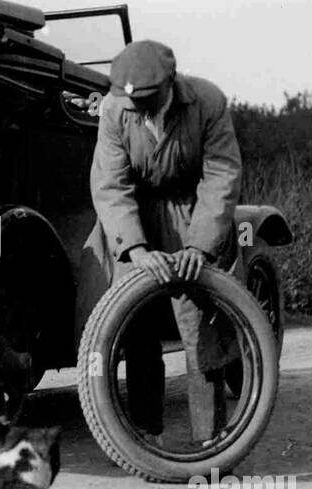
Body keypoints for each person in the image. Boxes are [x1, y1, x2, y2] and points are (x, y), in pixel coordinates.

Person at [83, 40, 242, 443]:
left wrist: (200, 246)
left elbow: (221, 175)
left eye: (151, 102)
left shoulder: (207, 101)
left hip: (192, 214)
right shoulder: (115, 110)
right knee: (136, 325)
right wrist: (135, 249)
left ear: (172, 83)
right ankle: (145, 438)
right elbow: (110, 184)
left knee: (200, 327)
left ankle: (211, 442)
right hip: (135, 217)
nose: (142, 111)